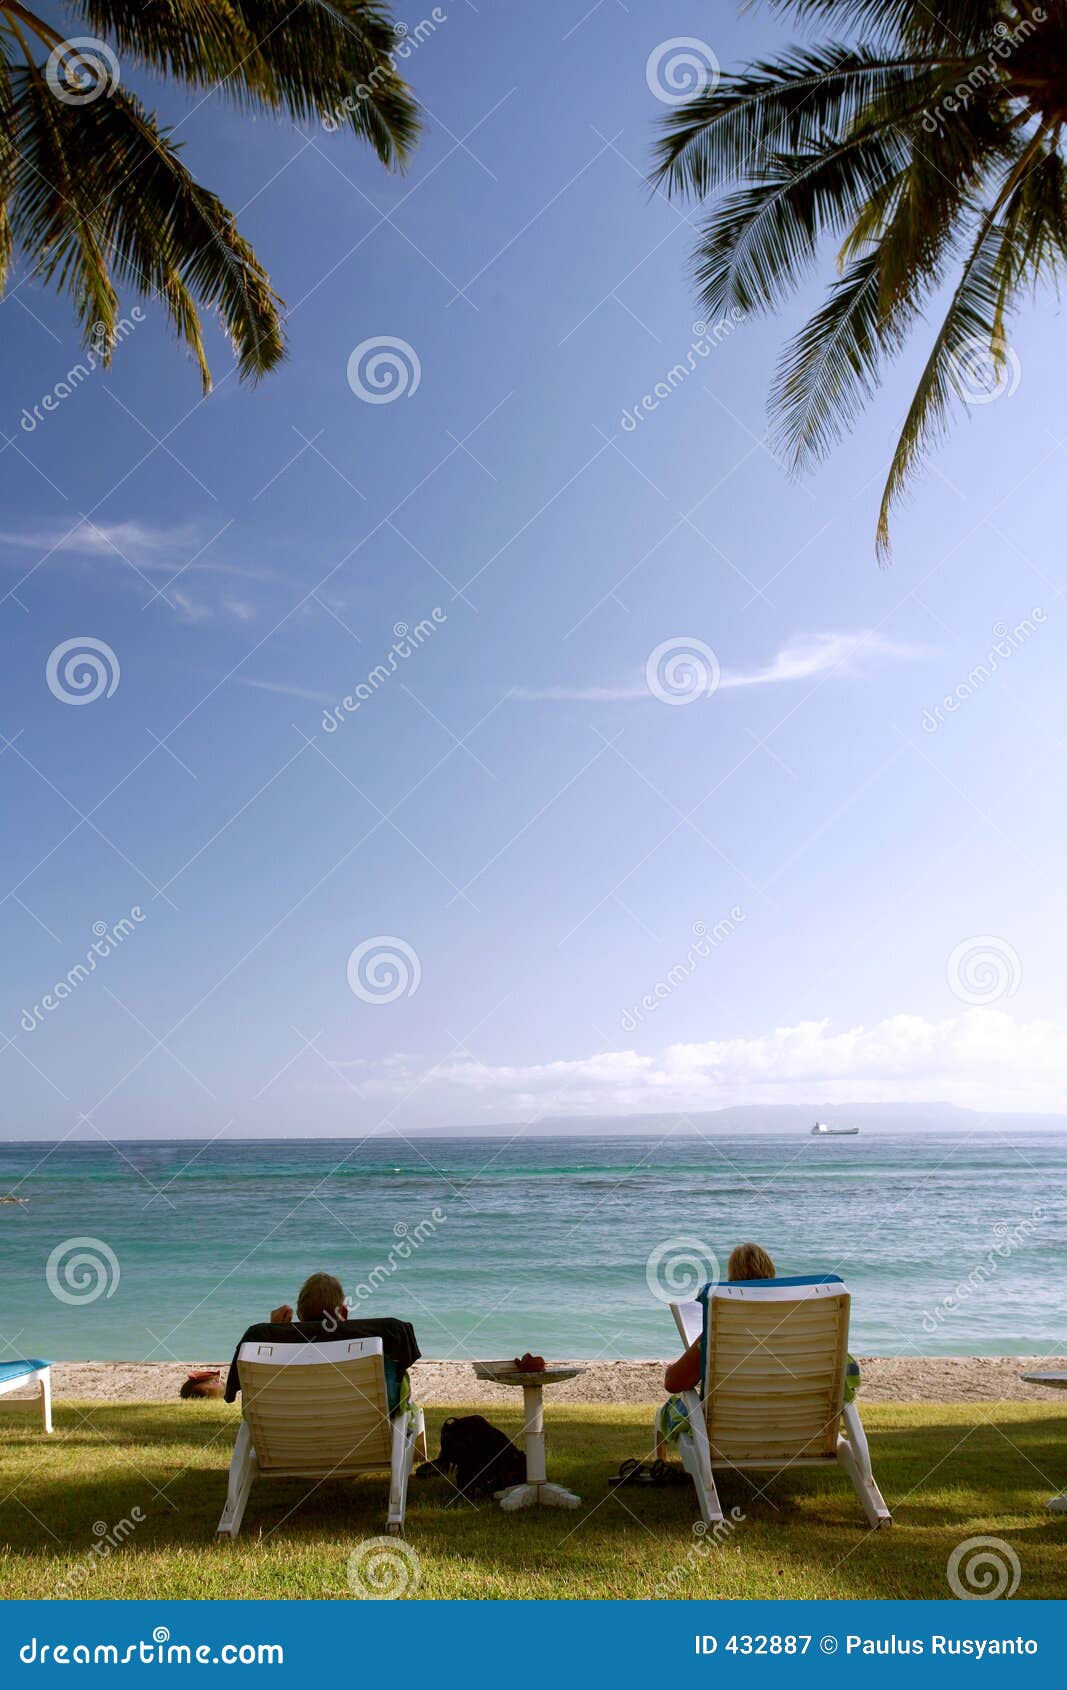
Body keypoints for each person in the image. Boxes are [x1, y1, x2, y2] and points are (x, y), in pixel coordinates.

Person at [223, 1269, 421, 1412]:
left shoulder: (262, 1337)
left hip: (288, 1429)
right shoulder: (383, 1333)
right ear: (343, 1312)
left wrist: (275, 1331)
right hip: (359, 1425)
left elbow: (243, 1391)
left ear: (300, 1313)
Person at [663, 1242, 776, 1394]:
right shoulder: (797, 1323)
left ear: (732, 1279)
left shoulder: (719, 1328)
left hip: (731, 1415)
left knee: (670, 1410)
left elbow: (673, 1383)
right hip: (794, 1414)